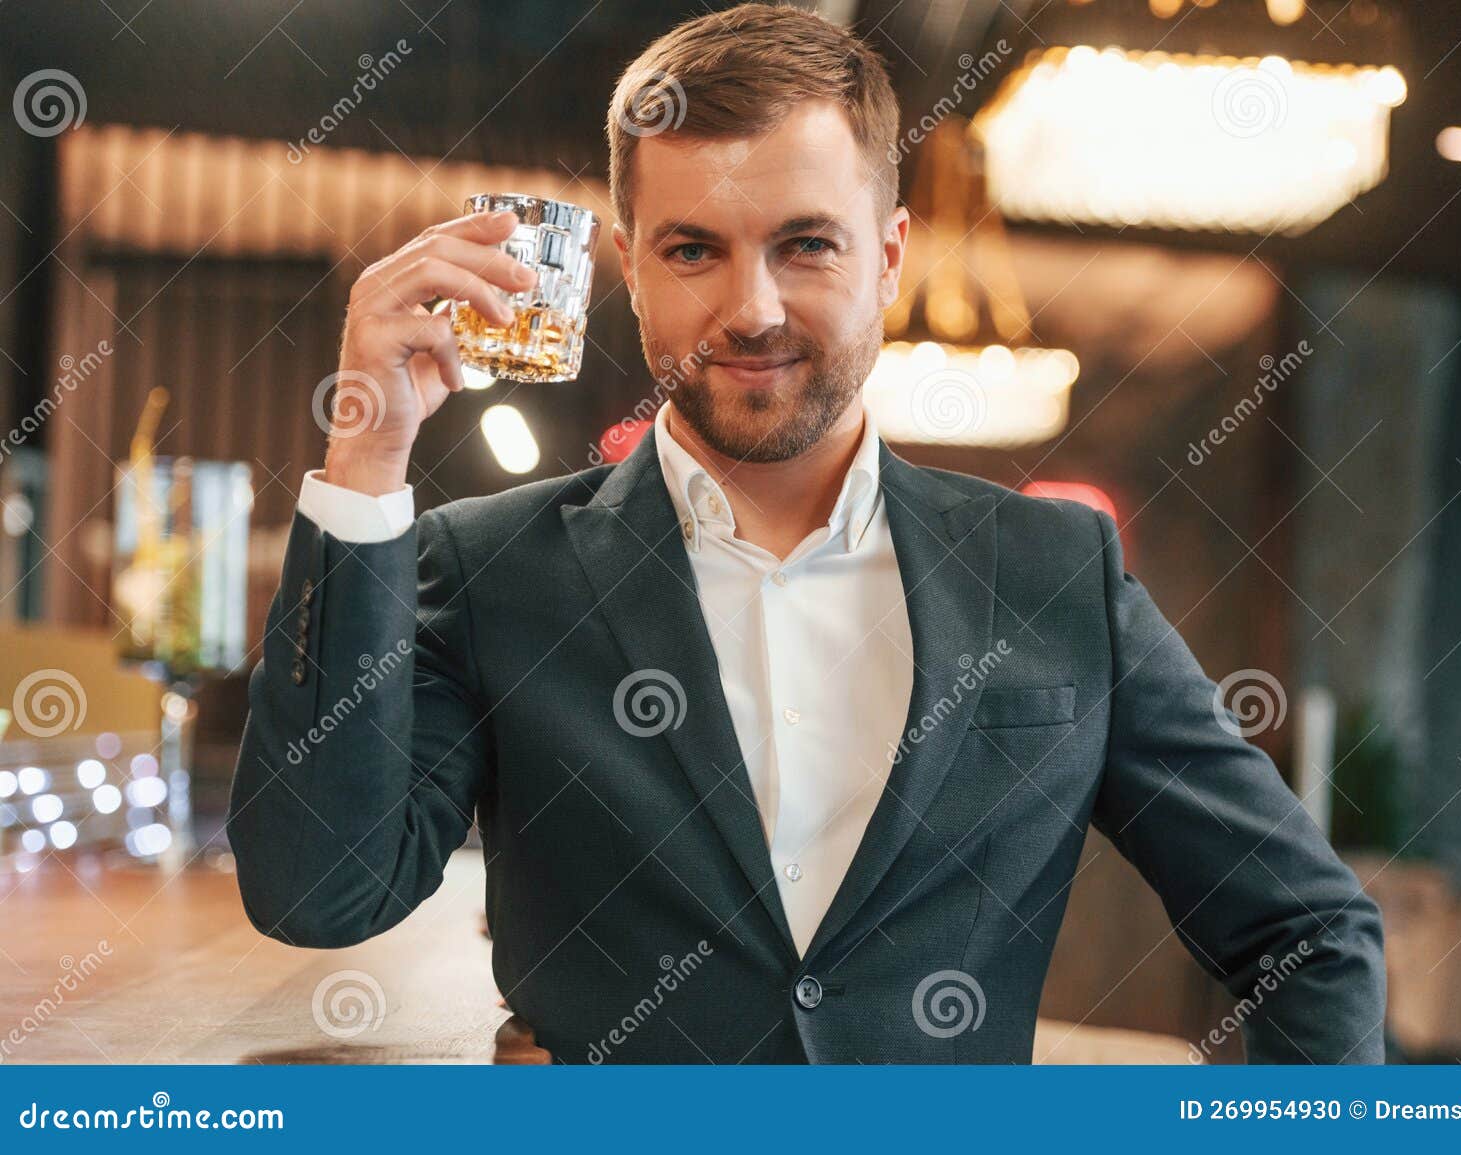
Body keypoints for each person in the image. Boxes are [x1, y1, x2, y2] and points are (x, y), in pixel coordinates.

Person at [229, 2, 1385, 1064]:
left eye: (806, 244)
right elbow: (318, 892)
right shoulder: (485, 568)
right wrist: (367, 459)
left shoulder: (1050, 574)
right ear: (629, 267)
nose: (753, 310)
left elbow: (1310, 934)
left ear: (886, 255)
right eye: (693, 250)